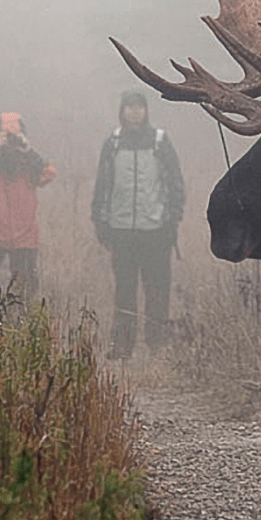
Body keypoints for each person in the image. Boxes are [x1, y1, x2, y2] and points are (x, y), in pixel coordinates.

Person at [91, 89, 185, 358]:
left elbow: (176, 184)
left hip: (156, 231)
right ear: (122, 111)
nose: (134, 111)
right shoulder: (113, 142)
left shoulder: (160, 141)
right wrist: (100, 220)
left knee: (157, 289)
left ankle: (157, 344)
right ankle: (122, 346)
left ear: (146, 111)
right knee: (124, 290)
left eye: (139, 106)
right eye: (129, 107)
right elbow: (102, 184)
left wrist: (172, 219)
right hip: (121, 231)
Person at [0, 112, 57, 323]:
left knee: (25, 290)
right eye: (7, 136)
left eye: (16, 136)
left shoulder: (30, 164)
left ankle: (19, 328)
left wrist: (28, 150)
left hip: (25, 235)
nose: (11, 142)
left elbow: (49, 173)